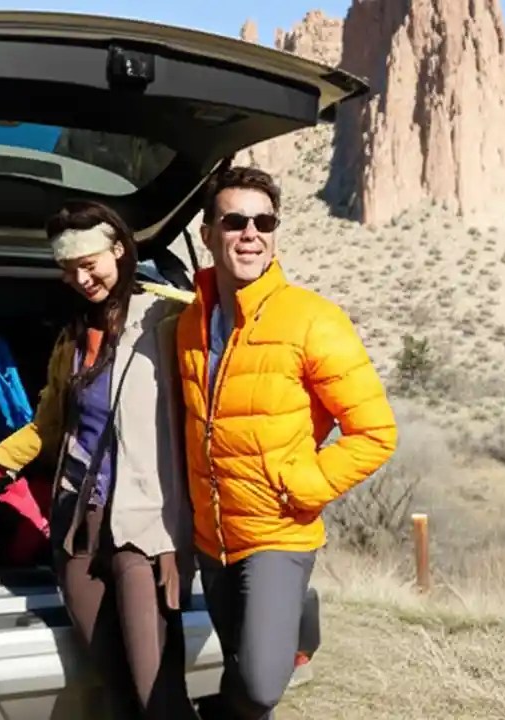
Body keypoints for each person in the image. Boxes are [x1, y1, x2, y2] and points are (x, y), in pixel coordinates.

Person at [0, 199, 200, 720]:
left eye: (90, 263)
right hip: (78, 524)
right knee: (113, 686)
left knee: (157, 692)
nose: (81, 278)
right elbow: (47, 429)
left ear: (120, 249)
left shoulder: (166, 319)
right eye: (68, 268)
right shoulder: (72, 339)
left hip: (144, 529)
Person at [174, 166, 399, 719]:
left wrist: (300, 484)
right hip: (213, 536)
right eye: (234, 220)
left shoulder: (313, 320)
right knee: (238, 673)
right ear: (208, 233)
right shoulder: (189, 323)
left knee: (256, 686)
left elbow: (375, 432)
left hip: (277, 531)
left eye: (264, 221)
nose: (250, 233)